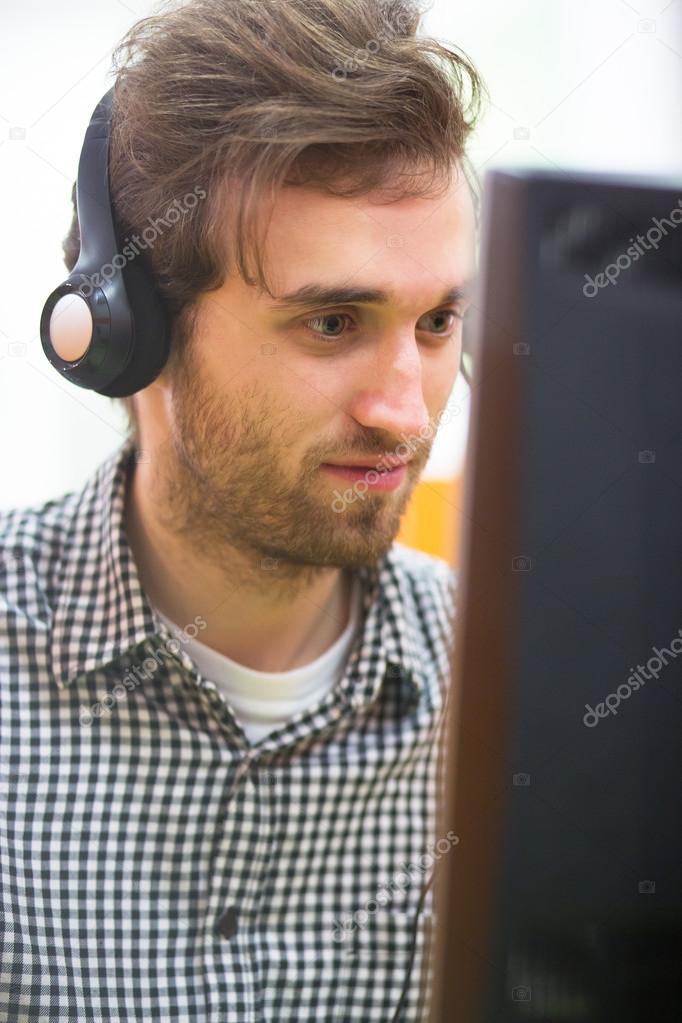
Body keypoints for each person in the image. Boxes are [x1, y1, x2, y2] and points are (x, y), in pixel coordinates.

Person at [0, 1, 483, 1019]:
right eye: (332, 321)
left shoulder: (524, 697)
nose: (404, 410)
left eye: (437, 321)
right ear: (126, 336)